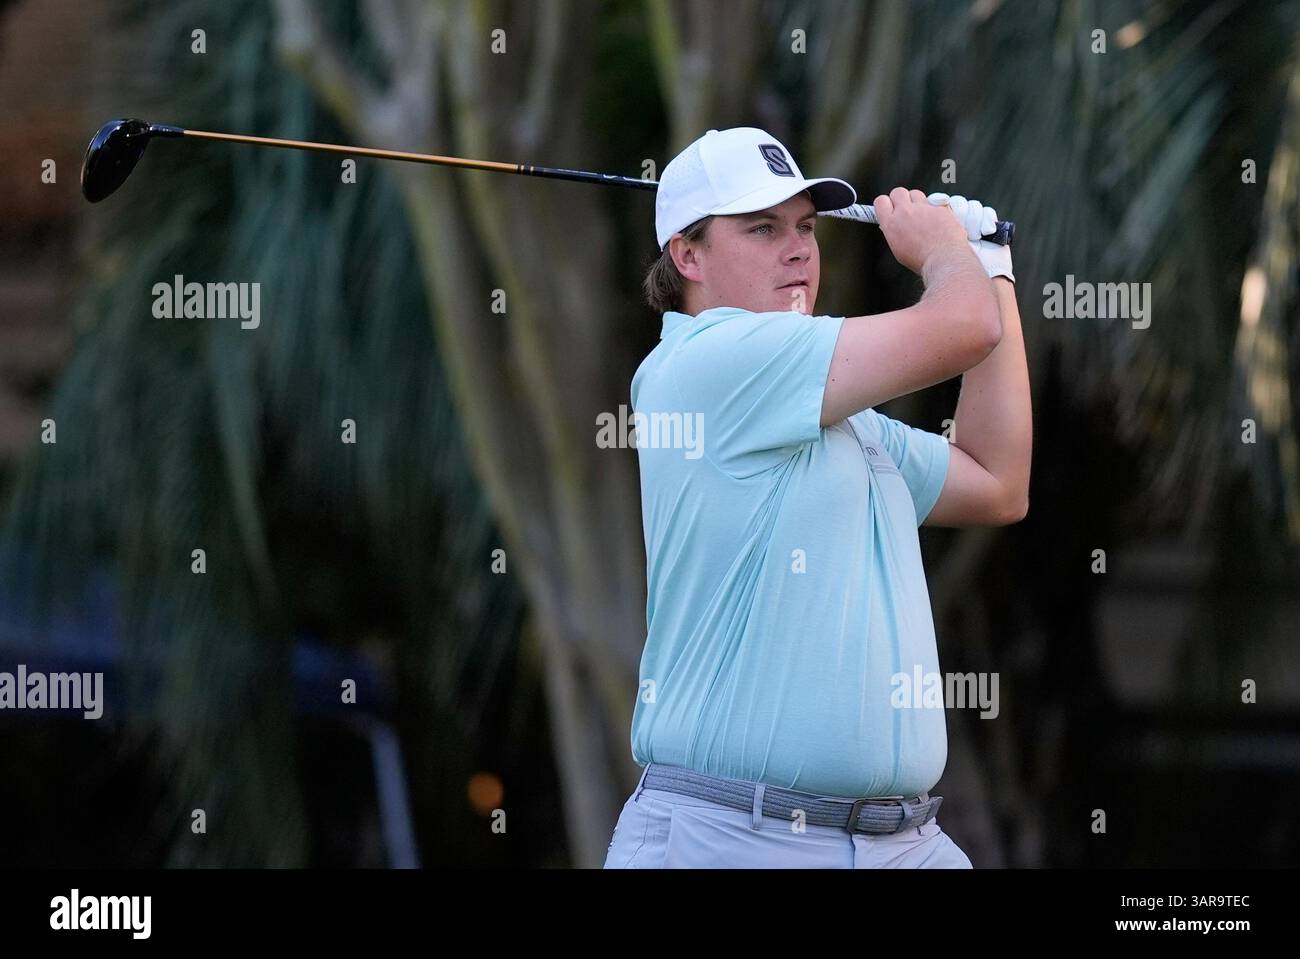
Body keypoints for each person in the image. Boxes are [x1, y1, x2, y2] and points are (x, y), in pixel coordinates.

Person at [603, 127, 1031, 868]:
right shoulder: (706, 362)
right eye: (763, 228)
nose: (798, 248)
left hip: (903, 843)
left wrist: (992, 269)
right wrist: (944, 252)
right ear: (688, 254)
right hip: (734, 836)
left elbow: (997, 480)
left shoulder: (847, 421)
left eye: (805, 226)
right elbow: (962, 326)